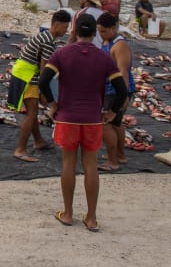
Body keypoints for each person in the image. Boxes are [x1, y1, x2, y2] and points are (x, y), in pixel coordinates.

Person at [38, 15, 127, 232]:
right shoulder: (103, 58)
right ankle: (92, 218)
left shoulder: (61, 54)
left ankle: (68, 214)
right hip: (93, 120)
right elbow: (122, 89)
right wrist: (112, 112)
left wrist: (52, 103)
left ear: (75, 31)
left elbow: (43, 80)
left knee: (68, 163)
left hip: (67, 116)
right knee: (90, 166)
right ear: (95, 33)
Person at [9, 10, 71, 162]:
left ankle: (38, 141)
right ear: (56, 25)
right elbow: (45, 70)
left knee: (33, 111)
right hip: (26, 75)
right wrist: (45, 93)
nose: (66, 31)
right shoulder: (48, 42)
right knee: (32, 113)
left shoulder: (47, 37)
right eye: (64, 27)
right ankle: (20, 149)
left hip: (24, 72)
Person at [97, 13, 135, 172]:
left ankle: (113, 161)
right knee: (117, 123)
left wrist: (124, 96)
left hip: (116, 90)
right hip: (109, 88)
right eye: (99, 31)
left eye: (104, 31)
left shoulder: (120, 46)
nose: (101, 34)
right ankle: (120, 155)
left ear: (114, 28)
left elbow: (123, 72)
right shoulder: (107, 41)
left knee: (106, 123)